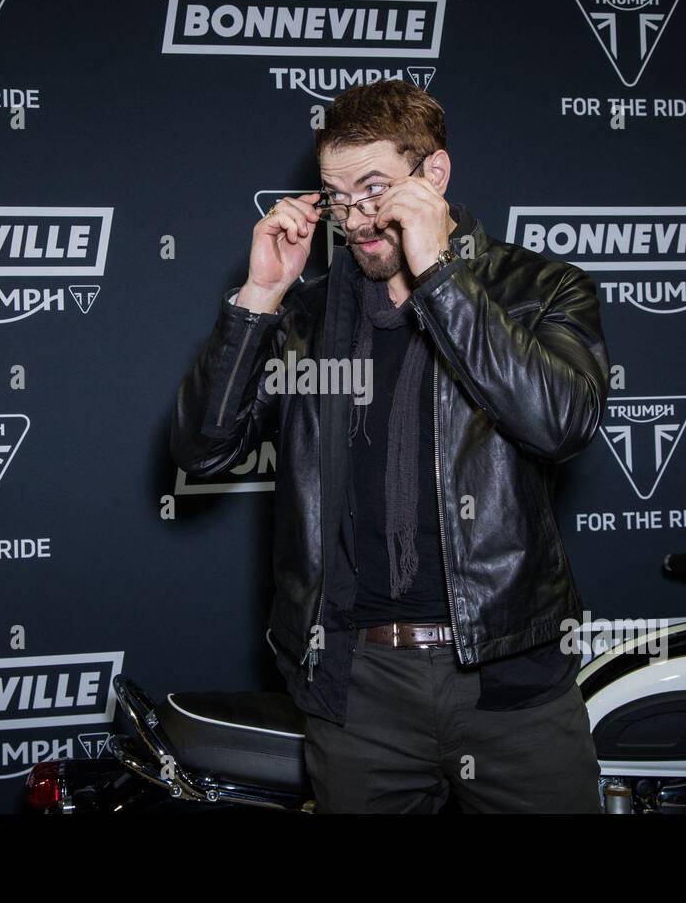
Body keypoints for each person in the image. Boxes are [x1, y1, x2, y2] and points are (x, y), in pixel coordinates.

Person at [170, 79, 609, 812]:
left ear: (433, 174)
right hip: (359, 689)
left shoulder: (539, 289)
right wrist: (257, 300)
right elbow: (201, 450)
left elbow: (561, 422)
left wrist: (440, 276)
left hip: (511, 683)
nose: (357, 217)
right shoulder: (309, 319)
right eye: (337, 196)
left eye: (374, 187)